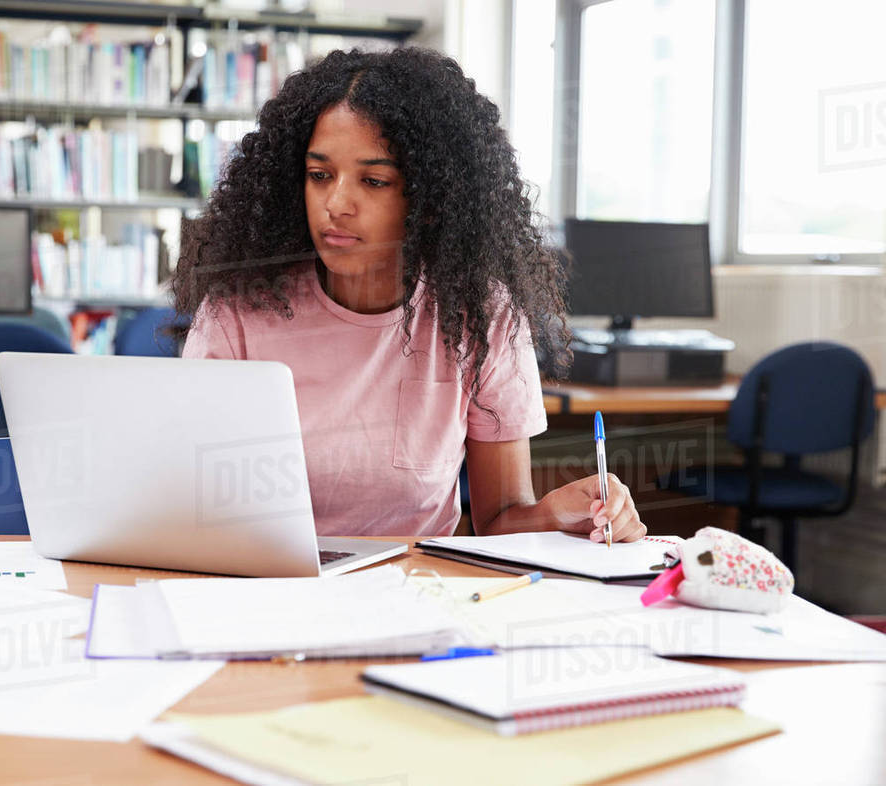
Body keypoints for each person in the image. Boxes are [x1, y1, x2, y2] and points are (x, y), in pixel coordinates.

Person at [172, 47, 645, 542]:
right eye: (319, 175)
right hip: (266, 591)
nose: (336, 203)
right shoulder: (238, 311)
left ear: (430, 201)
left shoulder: (483, 316)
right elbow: (187, 507)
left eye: (373, 181)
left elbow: (500, 517)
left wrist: (555, 514)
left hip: (417, 591)